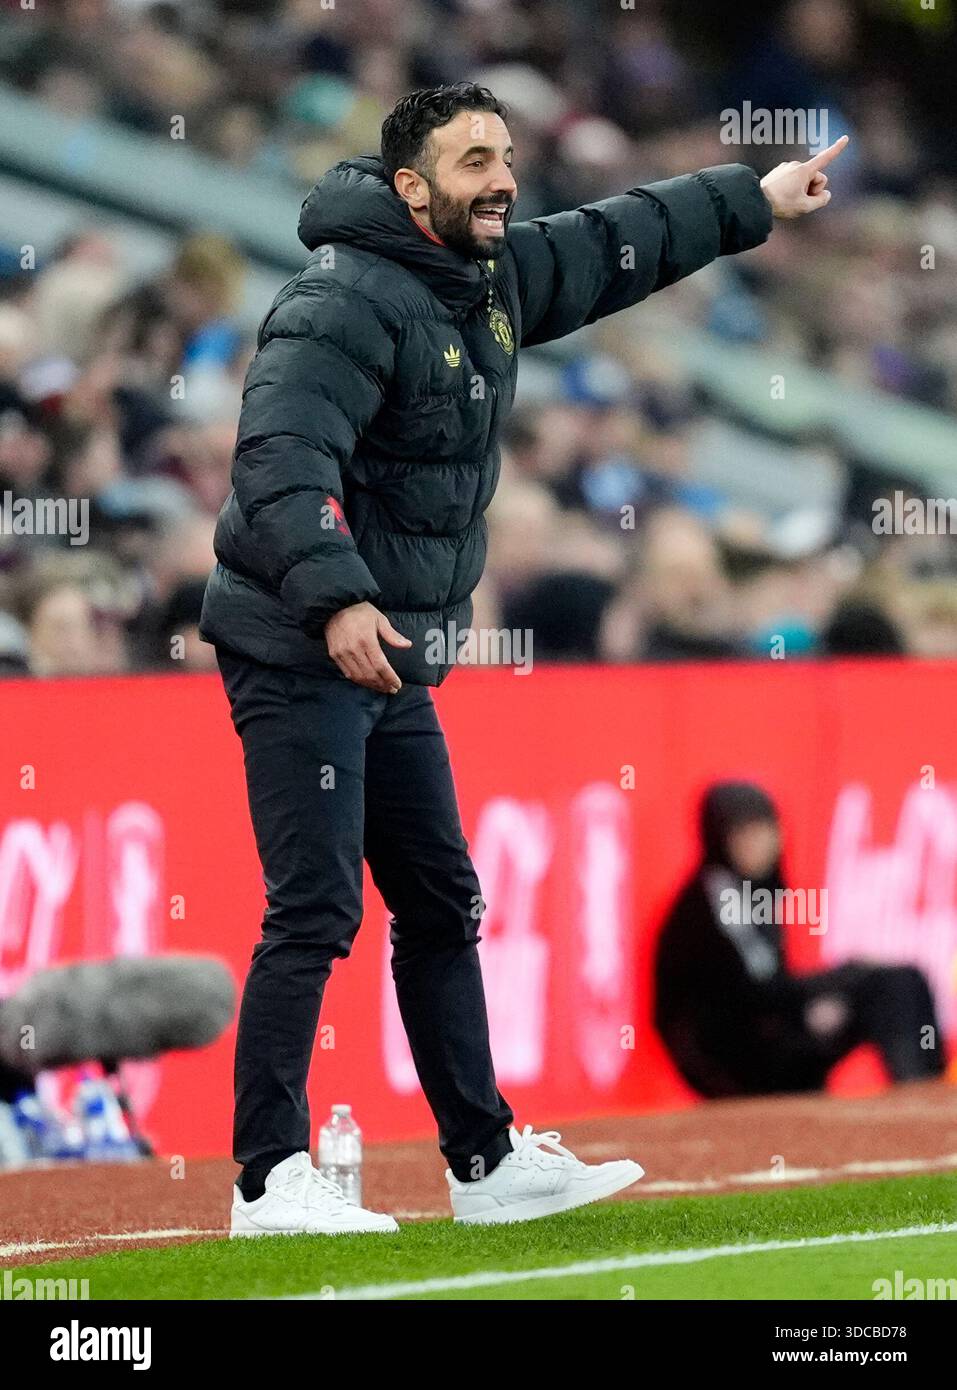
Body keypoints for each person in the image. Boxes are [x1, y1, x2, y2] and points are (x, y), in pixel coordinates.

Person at [199, 82, 847, 1235]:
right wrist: (337, 598)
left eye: (505, 155)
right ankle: (266, 1177)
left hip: (394, 651)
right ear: (412, 188)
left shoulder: (485, 275)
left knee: (442, 901)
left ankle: (484, 1162)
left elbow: (612, 242)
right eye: (474, 161)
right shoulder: (338, 299)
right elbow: (280, 458)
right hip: (302, 642)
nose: (503, 178)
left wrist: (754, 198)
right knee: (315, 908)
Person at [654, 781, 947, 1098]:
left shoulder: (755, 889)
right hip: (733, 1062)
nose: (758, 844)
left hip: (765, 1035)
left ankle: (928, 1095)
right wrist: (848, 975)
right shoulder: (720, 893)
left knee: (904, 980)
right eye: (743, 835)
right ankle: (920, 1097)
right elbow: (760, 991)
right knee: (888, 986)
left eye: (764, 830)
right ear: (720, 839)